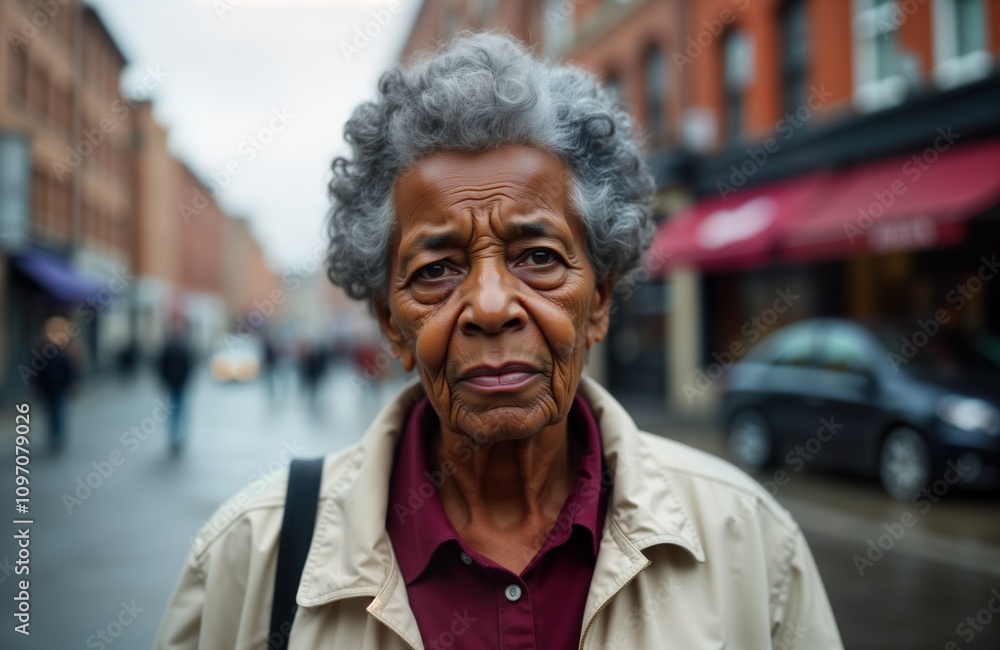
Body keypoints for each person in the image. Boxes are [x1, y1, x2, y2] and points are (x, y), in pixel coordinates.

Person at [156, 33, 843, 649]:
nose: (489, 307)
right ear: (392, 324)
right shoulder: (253, 559)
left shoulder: (750, 544)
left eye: (538, 257)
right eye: (437, 270)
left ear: (599, 299)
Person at [34, 316, 78, 451]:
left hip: (59, 387)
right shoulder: (43, 349)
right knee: (52, 411)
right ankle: (55, 434)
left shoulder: (66, 350)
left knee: (58, 410)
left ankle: (57, 435)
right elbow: (37, 370)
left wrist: (72, 384)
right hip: (49, 387)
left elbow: (71, 370)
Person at [157, 321, 193, 454]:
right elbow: (188, 368)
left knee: (173, 411)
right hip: (180, 384)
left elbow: (161, 367)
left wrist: (163, 380)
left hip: (172, 384)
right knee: (180, 410)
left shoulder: (167, 349)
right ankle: (179, 435)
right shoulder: (184, 349)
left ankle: (174, 436)